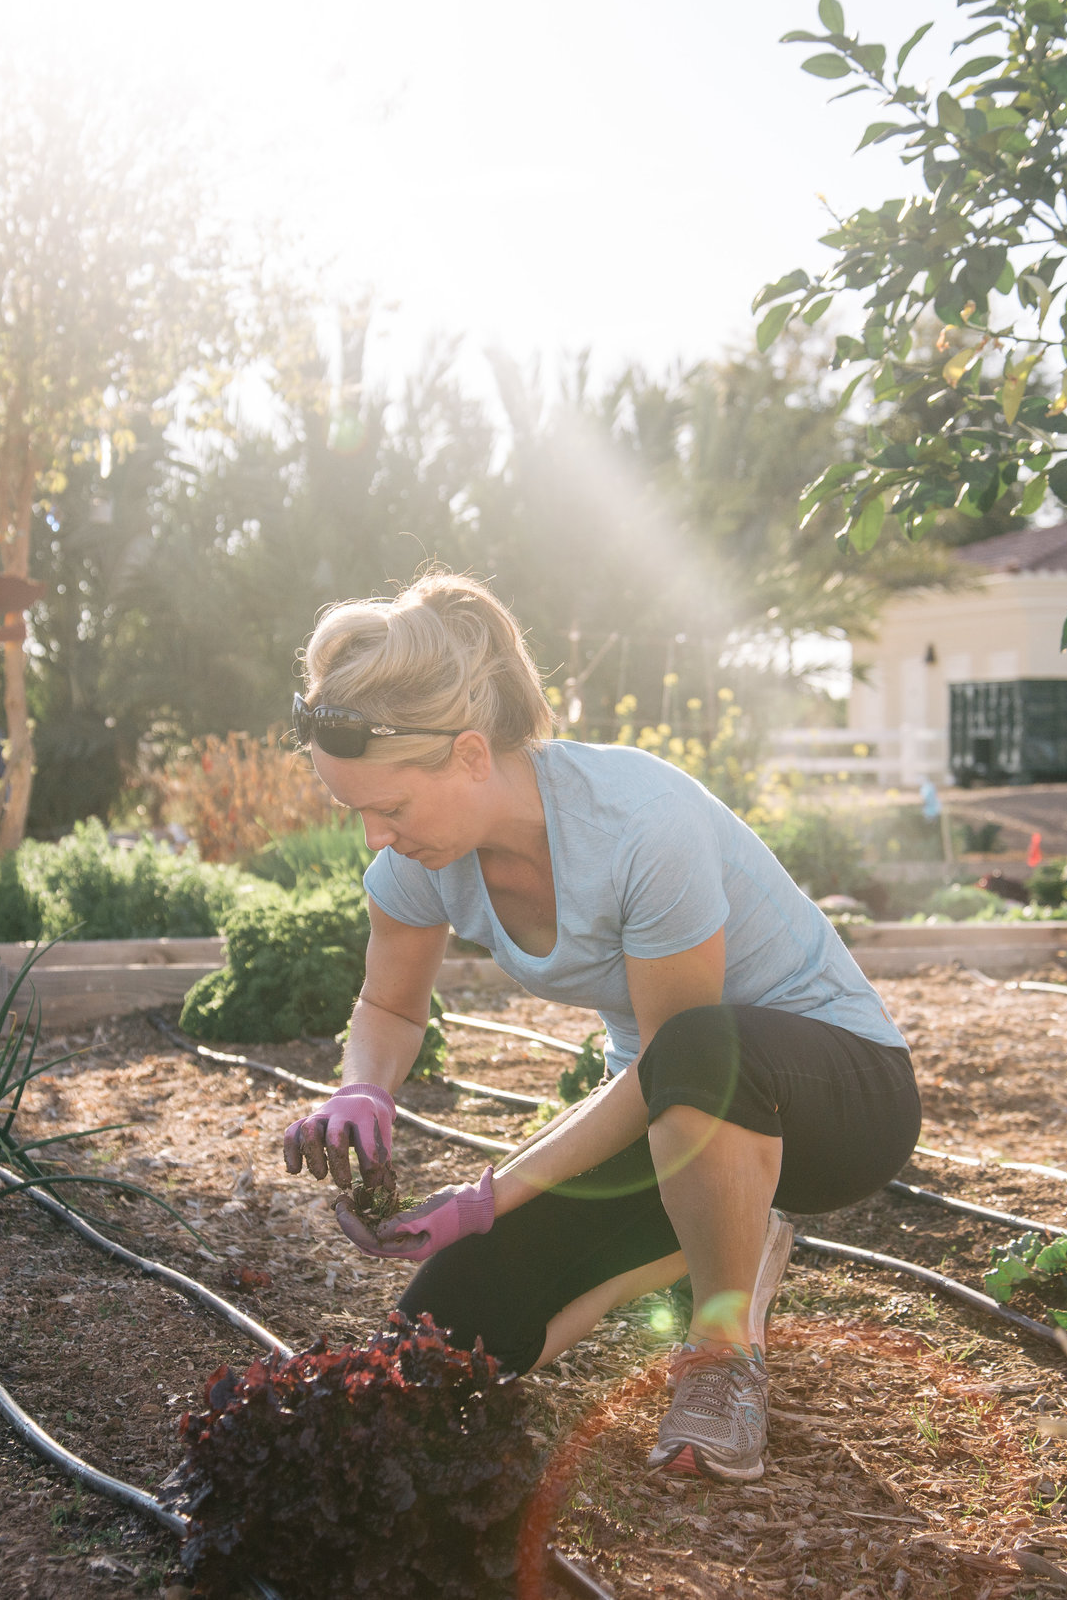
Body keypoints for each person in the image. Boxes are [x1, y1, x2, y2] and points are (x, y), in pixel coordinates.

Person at [280, 571, 921, 1482]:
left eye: (391, 807)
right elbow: (388, 1007)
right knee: (445, 1329)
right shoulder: (427, 856)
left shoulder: (639, 825)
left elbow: (676, 1055)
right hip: (677, 1115)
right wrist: (362, 1086)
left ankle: (721, 1357)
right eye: (361, 814)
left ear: (468, 754)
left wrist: (491, 1192)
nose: (378, 837)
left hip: (839, 1093)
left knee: (704, 1050)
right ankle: (730, 1218)